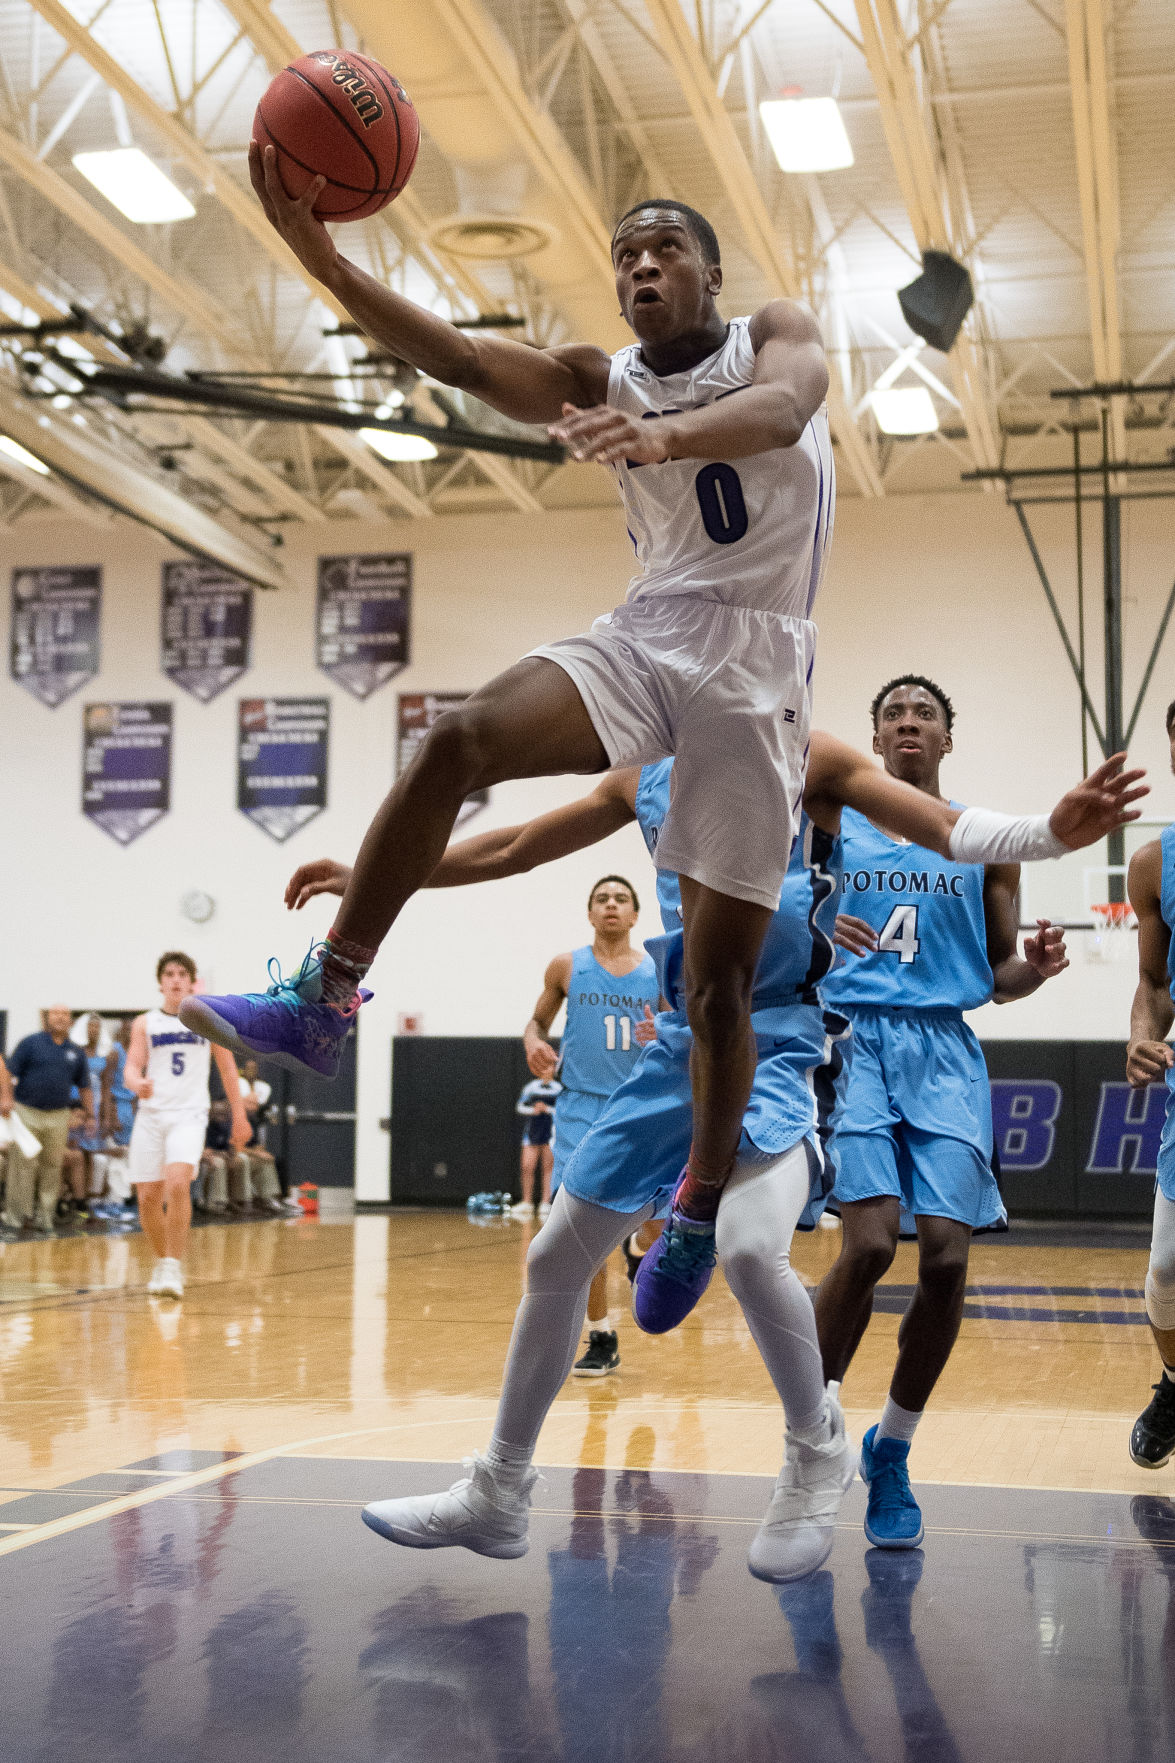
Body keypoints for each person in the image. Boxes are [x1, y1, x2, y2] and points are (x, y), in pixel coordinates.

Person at [287, 737, 1141, 1581]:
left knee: (745, 1245)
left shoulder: (813, 759)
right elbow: (509, 845)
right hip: (678, 1053)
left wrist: (1048, 832)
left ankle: (816, 1451)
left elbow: (952, 827)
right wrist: (371, 879)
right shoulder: (641, 774)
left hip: (778, 1049)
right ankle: (499, 1488)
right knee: (553, 1257)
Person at [183, 170, 837, 1244]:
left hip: (757, 665)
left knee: (717, 990)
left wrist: (666, 438)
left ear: (710, 274)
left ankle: (695, 1205)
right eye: (626, 252)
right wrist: (324, 260)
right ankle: (326, 996)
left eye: (664, 247)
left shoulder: (771, 331)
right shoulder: (599, 374)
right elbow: (462, 359)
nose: (640, 264)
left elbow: (784, 409)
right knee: (458, 737)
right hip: (650, 630)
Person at [813, 676, 1081, 1552]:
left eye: (923, 713)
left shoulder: (982, 843)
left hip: (946, 1052)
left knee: (944, 1257)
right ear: (875, 737)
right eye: (891, 713)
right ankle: (807, 1443)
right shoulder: (828, 825)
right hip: (858, 1046)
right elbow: (784, 932)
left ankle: (889, 1448)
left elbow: (996, 975)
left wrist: (1034, 969)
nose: (907, 723)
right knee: (863, 1245)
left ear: (946, 737)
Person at [522, 876, 661, 1375]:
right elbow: (535, 1023)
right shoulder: (566, 966)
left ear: (634, 914)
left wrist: (663, 1032)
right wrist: (533, 1043)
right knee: (579, 1235)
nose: (610, 906)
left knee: (656, 1228)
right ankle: (601, 1336)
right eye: (602, 899)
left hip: (640, 1110)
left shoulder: (658, 971)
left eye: (620, 899)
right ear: (590, 912)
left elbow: (686, 1032)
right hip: (580, 1109)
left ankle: (639, 1245)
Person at [124, 952, 250, 1298]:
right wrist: (136, 1083)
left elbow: (227, 1071)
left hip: (189, 1115)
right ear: (160, 981)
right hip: (151, 1116)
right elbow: (132, 1067)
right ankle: (162, 1261)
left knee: (178, 1183)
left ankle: (171, 1267)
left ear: (192, 981)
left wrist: (240, 1116)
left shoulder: (208, 1019)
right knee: (148, 1196)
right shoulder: (144, 1023)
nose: (176, 979)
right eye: (169, 973)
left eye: (182, 974)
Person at [1123, 698, 1175, 1471]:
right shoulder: (1151, 861)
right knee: (1166, 1272)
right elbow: (1151, 981)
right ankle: (1173, 1381)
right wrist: (1141, 1035)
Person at [2, 1004, 95, 1232]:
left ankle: (45, 1217)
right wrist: (5, 1097)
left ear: (71, 1021)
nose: (60, 1018)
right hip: (27, 1112)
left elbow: (85, 1086)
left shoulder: (75, 1051)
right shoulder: (30, 1043)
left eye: (65, 1014)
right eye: (56, 1013)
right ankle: (17, 1218)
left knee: (52, 1165)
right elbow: (7, 1071)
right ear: (47, 1018)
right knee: (22, 1164)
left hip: (58, 1115)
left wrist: (90, 1115)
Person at [514, 1077, 560, 1216]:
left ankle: (545, 1202)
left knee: (548, 1167)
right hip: (533, 1131)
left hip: (550, 1131)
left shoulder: (558, 1088)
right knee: (527, 1166)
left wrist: (547, 1109)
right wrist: (533, 1110)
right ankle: (526, 1202)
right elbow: (520, 1106)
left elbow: (563, 1110)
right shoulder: (531, 1087)